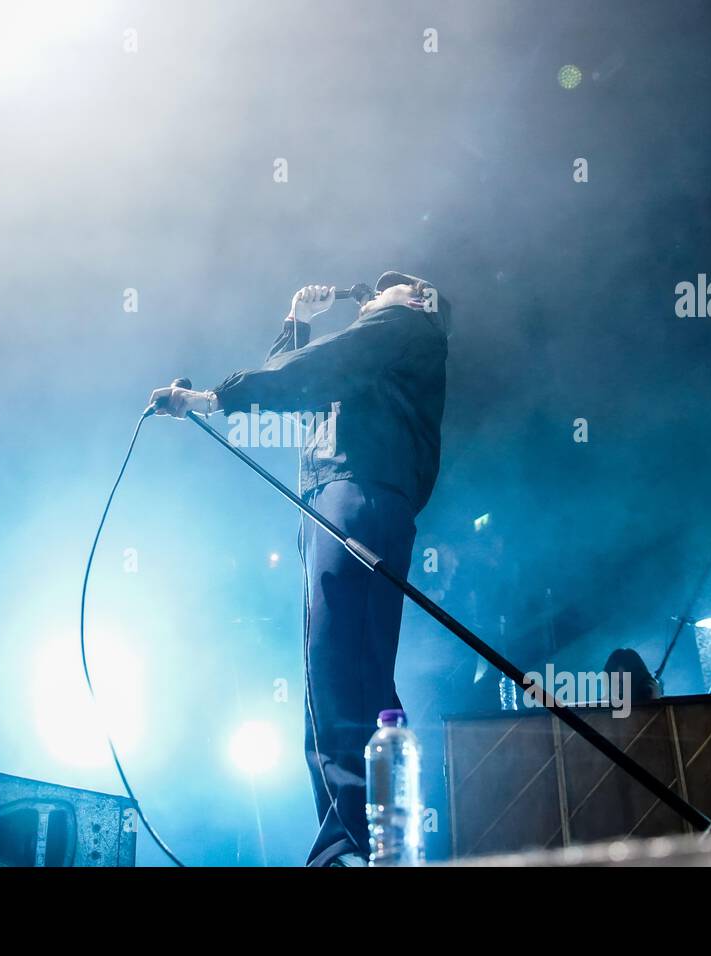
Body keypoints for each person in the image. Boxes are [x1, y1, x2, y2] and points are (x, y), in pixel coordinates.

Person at [148, 271, 450, 866]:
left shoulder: (404, 325)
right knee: (336, 668)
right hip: (336, 496)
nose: (371, 294)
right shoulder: (368, 363)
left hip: (358, 492)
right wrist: (295, 324)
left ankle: (357, 844)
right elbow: (288, 399)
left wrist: (217, 396)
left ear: (416, 297)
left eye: (386, 287)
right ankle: (364, 838)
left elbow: (326, 362)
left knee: (345, 664)